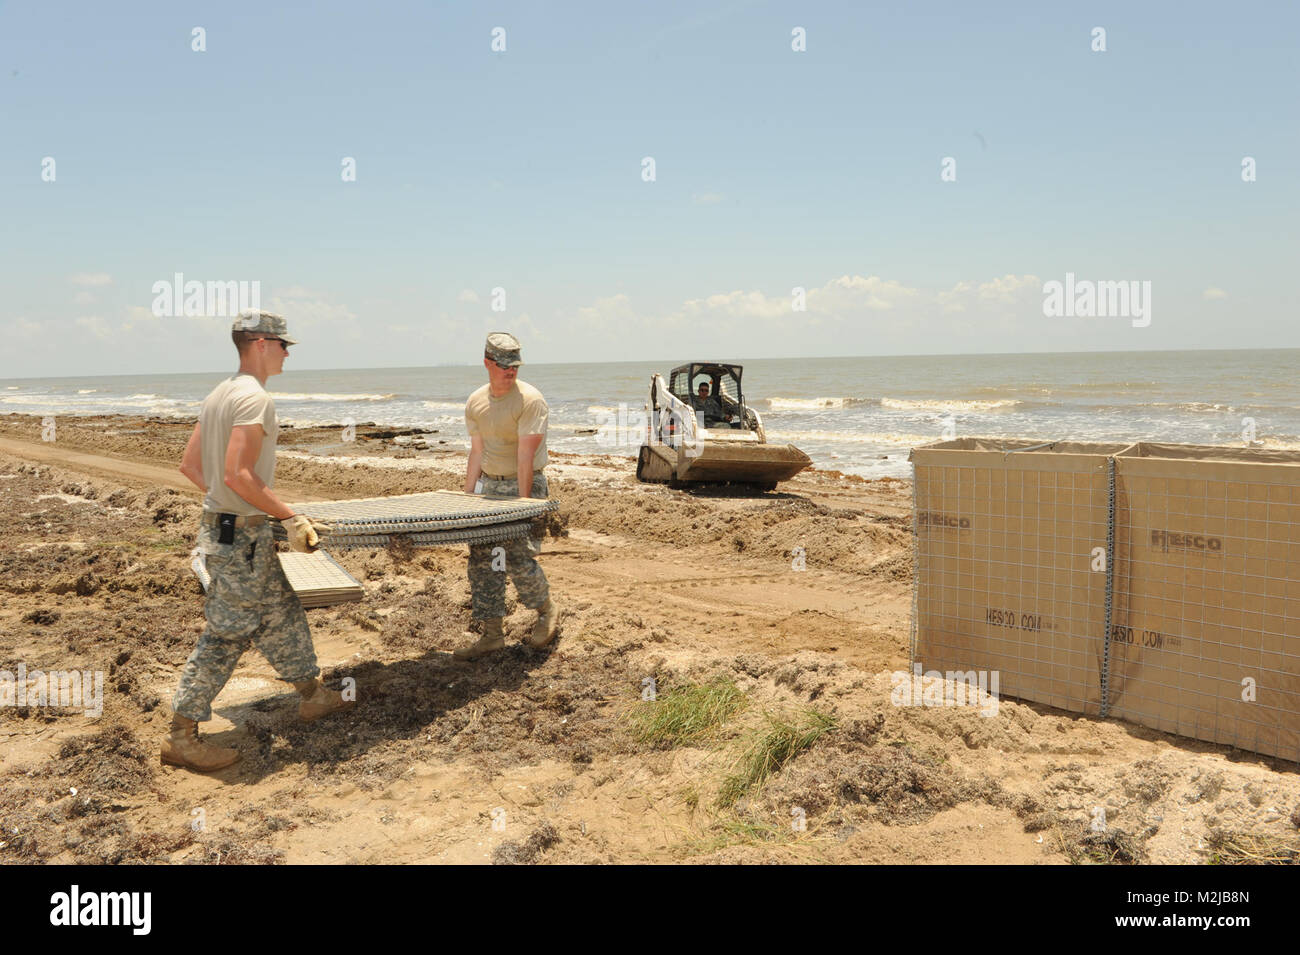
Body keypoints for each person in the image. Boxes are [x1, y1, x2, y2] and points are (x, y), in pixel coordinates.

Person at [163, 310, 351, 772]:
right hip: (239, 541)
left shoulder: (219, 395)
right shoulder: (253, 399)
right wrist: (290, 516)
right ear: (262, 343)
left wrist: (229, 504)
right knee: (227, 636)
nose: (288, 352)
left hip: (231, 532)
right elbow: (238, 474)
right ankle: (181, 736)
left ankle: (312, 696)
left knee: (281, 610)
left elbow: (192, 468)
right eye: (284, 344)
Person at [454, 332, 562, 659]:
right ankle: (491, 634)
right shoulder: (475, 402)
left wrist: (524, 506)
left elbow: (525, 458)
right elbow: (476, 453)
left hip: (525, 483)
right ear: (488, 363)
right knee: (482, 559)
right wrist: (467, 498)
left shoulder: (530, 400)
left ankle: (547, 612)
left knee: (517, 556)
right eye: (503, 365)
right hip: (491, 487)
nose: (510, 371)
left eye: (514, 365)